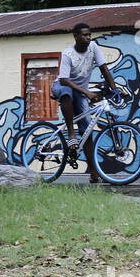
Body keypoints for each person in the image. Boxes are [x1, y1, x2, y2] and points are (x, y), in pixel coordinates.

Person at [53, 23, 116, 183]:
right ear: (75, 36)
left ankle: (94, 173)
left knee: (87, 129)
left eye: (89, 35)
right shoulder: (68, 54)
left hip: (79, 90)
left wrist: (114, 89)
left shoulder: (93, 47)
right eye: (84, 35)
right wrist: (87, 92)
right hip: (62, 86)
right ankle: (71, 135)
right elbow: (64, 80)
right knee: (67, 93)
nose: (88, 38)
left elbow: (104, 68)